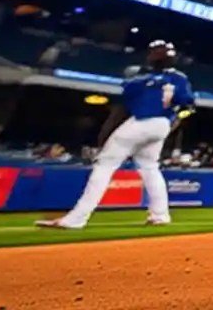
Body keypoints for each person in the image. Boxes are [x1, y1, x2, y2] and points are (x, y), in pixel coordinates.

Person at [37, 40, 195, 229]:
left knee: (104, 165)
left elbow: (120, 110)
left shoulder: (139, 80)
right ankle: (160, 215)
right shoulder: (179, 78)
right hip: (162, 124)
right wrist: (172, 122)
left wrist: (103, 139)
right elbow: (187, 105)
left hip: (142, 121)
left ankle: (76, 219)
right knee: (150, 167)